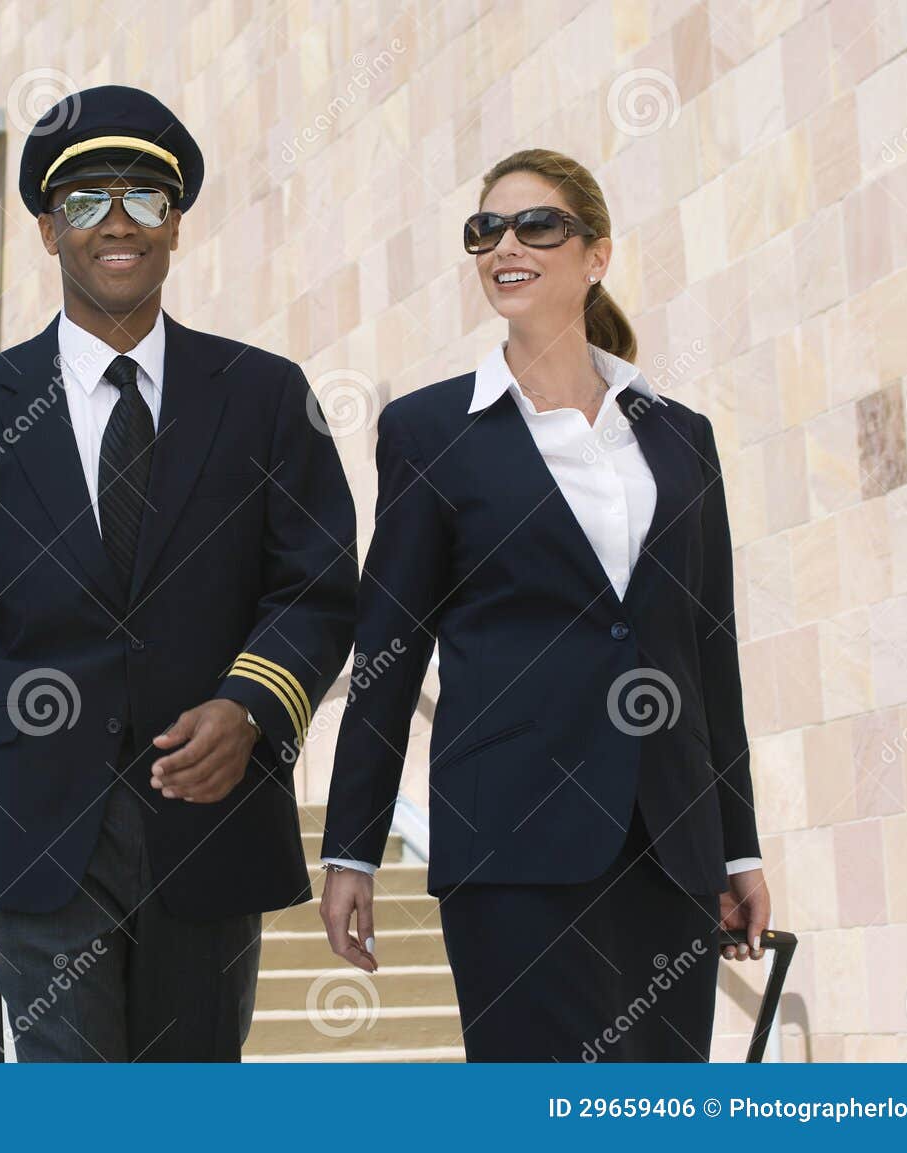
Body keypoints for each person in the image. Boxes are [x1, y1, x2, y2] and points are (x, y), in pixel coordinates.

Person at [0, 85, 358, 1061]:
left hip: (208, 827)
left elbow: (318, 584)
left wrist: (251, 703)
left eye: (146, 200)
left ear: (177, 226)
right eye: (85, 202)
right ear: (44, 229)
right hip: (35, 836)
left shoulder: (264, 397)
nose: (118, 224)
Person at [318, 148, 772, 1061]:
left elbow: (708, 649)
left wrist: (737, 848)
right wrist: (353, 849)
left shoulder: (682, 437)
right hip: (513, 840)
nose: (505, 245)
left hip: (667, 837)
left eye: (536, 225)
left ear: (595, 255)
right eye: (486, 230)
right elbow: (389, 650)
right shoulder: (432, 432)